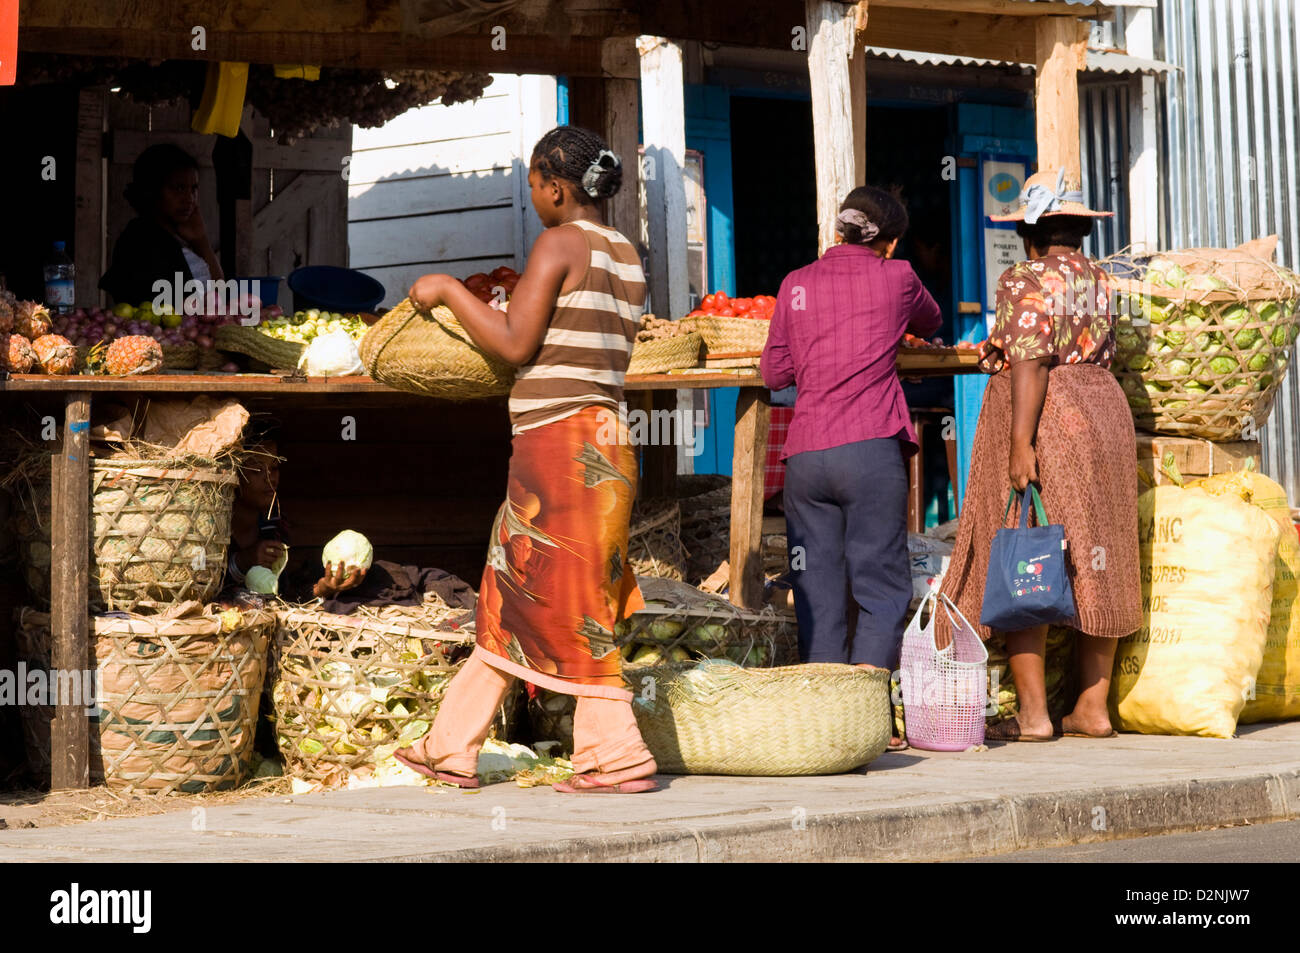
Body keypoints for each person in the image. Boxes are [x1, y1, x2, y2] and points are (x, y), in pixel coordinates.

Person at [394, 126, 657, 794]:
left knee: (568, 600)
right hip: (606, 441)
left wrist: (451, 291)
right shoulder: (627, 252)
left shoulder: (560, 242)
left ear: (556, 183)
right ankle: (451, 744)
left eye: (536, 184)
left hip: (559, 446)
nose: (534, 196)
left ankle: (618, 752)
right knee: (513, 594)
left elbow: (515, 342)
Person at [938, 168, 1141, 742]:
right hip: (1104, 411)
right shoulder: (1100, 279)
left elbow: (1030, 361)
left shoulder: (1024, 278)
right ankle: (1092, 709)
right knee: (1100, 553)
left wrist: (1020, 443)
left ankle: (1033, 715)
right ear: (1079, 229)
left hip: (1050, 416)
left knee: (1023, 547)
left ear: (1032, 232)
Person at [761, 186, 942, 752]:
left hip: (808, 455)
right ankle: (865, 712)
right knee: (880, 582)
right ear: (889, 242)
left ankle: (822, 712)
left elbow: (773, 374)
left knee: (815, 583)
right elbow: (931, 320)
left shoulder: (795, 283)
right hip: (870, 453)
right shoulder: (898, 277)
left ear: (839, 232)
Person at [100, 143, 224, 307]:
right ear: (152, 190)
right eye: (178, 188)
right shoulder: (141, 241)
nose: (189, 198)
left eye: (193, 189)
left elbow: (219, 293)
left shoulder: (182, 236)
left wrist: (201, 241)